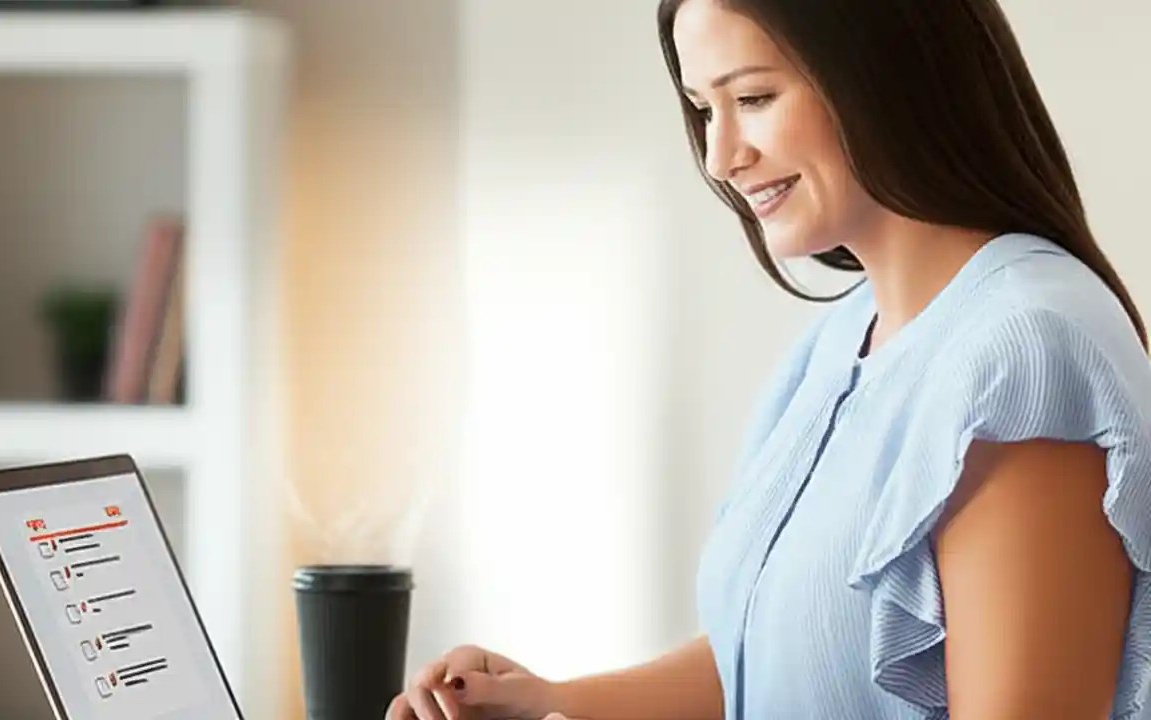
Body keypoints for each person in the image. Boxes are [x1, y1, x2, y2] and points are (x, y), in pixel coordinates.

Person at [387, 0, 1151, 717]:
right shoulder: (839, 342)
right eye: (702, 109)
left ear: (882, 70)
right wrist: (552, 699)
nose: (721, 156)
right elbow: (776, 655)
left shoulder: (1026, 354)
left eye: (751, 99)